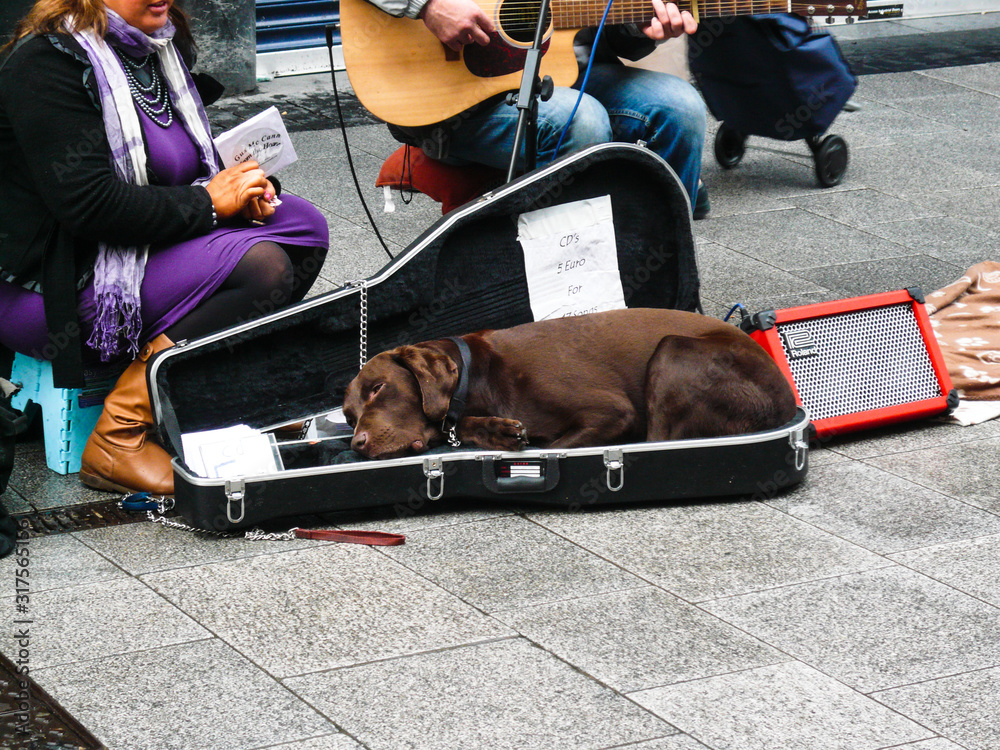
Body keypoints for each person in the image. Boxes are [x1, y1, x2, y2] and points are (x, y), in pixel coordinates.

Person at [0, 0, 330, 495]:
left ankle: (200, 393)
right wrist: (211, 204)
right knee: (261, 268)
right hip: (54, 288)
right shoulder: (45, 64)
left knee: (304, 226)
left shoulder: (156, 46)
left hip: (138, 253)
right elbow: (92, 206)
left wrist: (241, 189)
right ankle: (120, 435)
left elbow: (180, 168)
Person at [373, 0, 708, 217]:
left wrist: (639, 24)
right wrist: (428, 5)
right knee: (581, 119)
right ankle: (567, 291)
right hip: (453, 95)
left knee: (681, 107)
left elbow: (610, 24)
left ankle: (659, 281)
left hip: (567, 71)